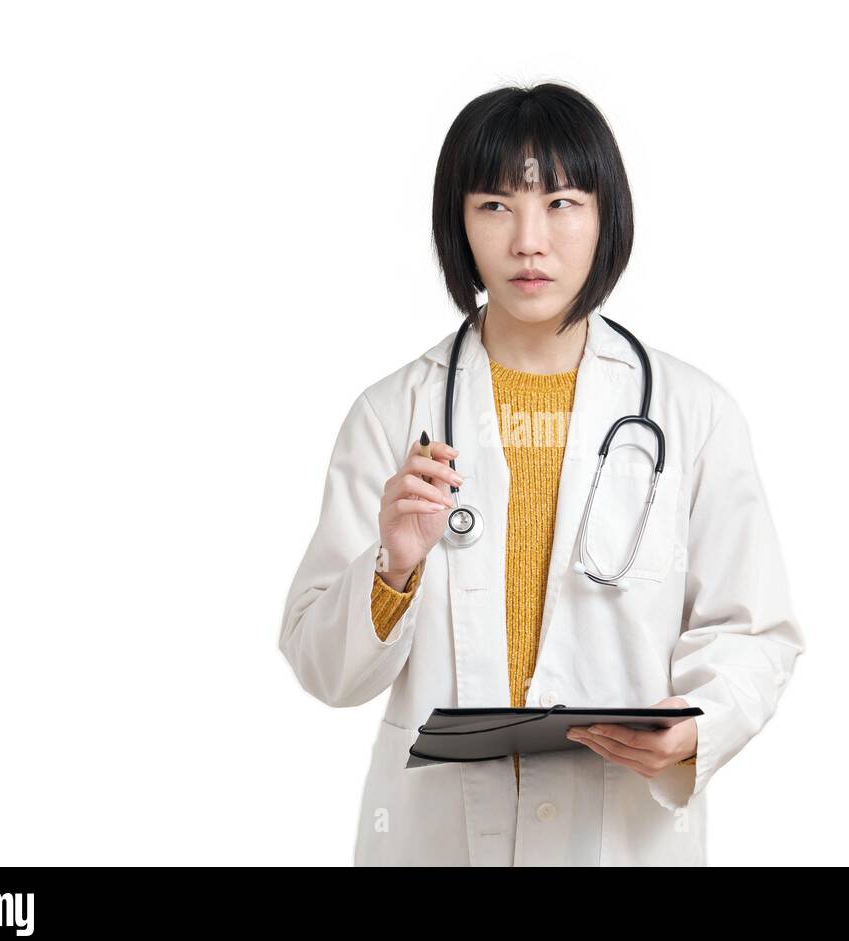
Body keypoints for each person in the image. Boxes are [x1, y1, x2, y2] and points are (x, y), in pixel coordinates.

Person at [277, 82, 805, 866]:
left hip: (622, 838)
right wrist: (393, 567)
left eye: (561, 202)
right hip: (438, 842)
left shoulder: (694, 415)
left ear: (606, 217)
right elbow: (324, 670)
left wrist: (701, 723)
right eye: (495, 205)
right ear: (457, 223)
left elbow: (754, 631)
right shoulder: (392, 415)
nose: (529, 240)